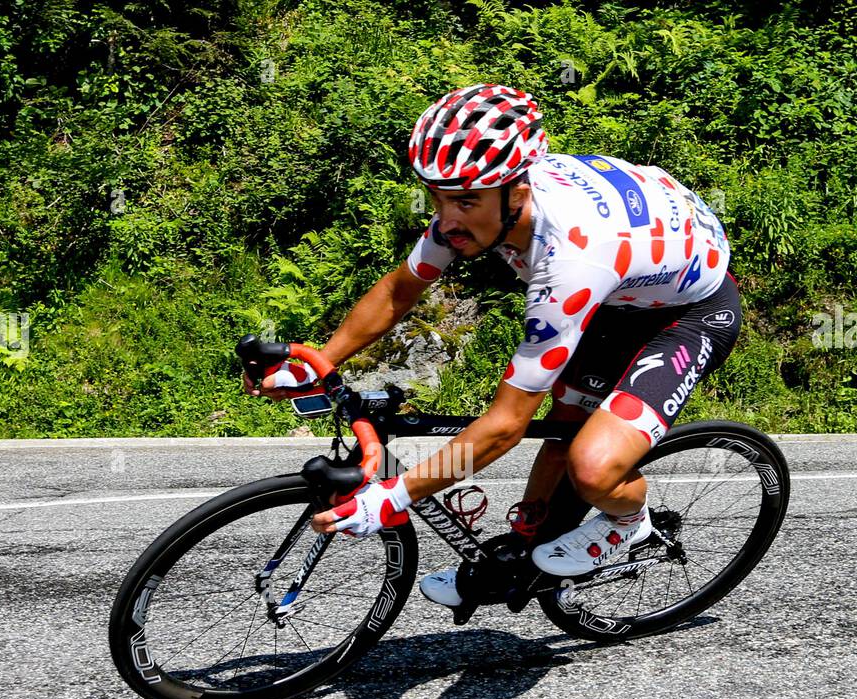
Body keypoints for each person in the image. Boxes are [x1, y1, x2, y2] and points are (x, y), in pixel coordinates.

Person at [245, 83, 740, 607]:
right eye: (437, 197)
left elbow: (504, 427)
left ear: (518, 192)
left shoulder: (572, 260)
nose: (447, 218)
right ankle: (521, 554)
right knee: (564, 430)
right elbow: (400, 289)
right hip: (624, 290)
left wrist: (393, 497)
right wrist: (317, 363)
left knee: (593, 467)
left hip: (688, 313)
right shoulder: (480, 198)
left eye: (463, 202)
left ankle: (629, 520)